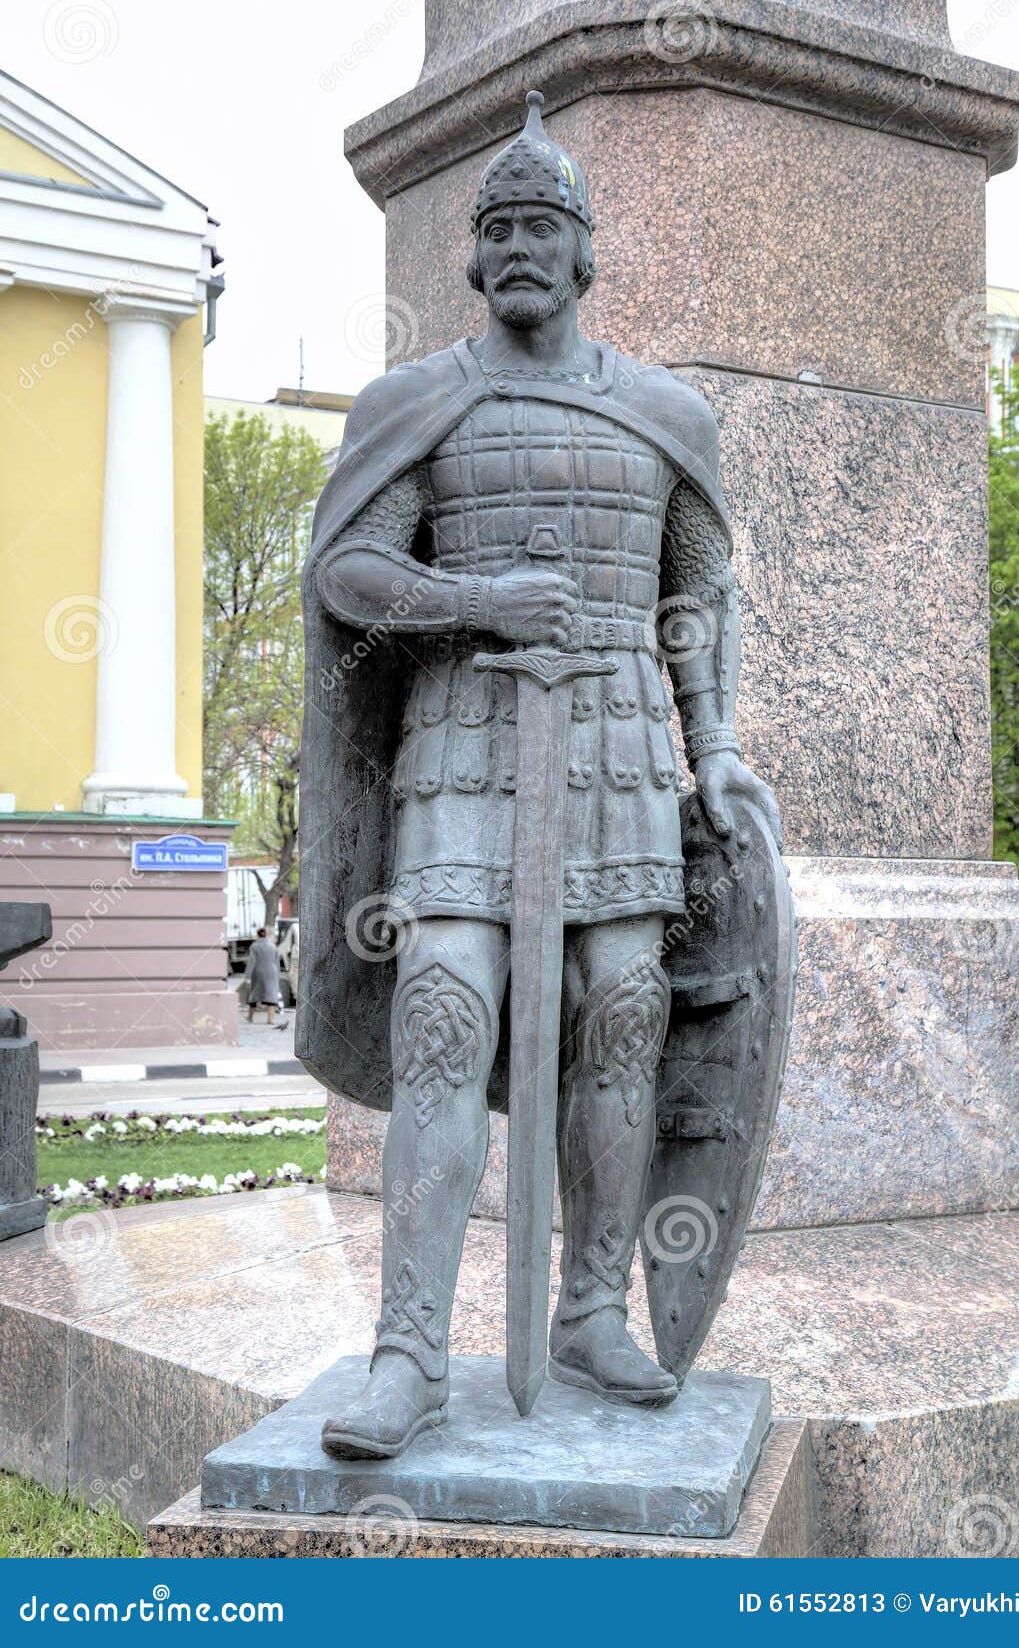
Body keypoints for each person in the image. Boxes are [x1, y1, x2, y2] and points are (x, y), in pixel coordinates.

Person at [300, 92, 781, 1459]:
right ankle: (406, 1354)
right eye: (497, 226)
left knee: (620, 1011)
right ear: (473, 257)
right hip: (461, 748)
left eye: (543, 226)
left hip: (622, 743)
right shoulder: (415, 402)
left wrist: (719, 748)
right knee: (443, 1007)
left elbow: (699, 594)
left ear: (583, 254)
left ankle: (588, 1309)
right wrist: (476, 598)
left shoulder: (663, 412)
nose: (519, 246)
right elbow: (347, 572)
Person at [245, 927, 286, 1027]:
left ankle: (250, 1016)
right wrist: (278, 974)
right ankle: (270, 1018)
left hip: (258, 972)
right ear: (266, 935)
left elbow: (252, 962)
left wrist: (247, 975)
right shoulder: (273, 946)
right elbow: (277, 963)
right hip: (272, 972)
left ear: (258, 935)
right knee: (271, 994)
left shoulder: (254, 946)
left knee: (254, 994)